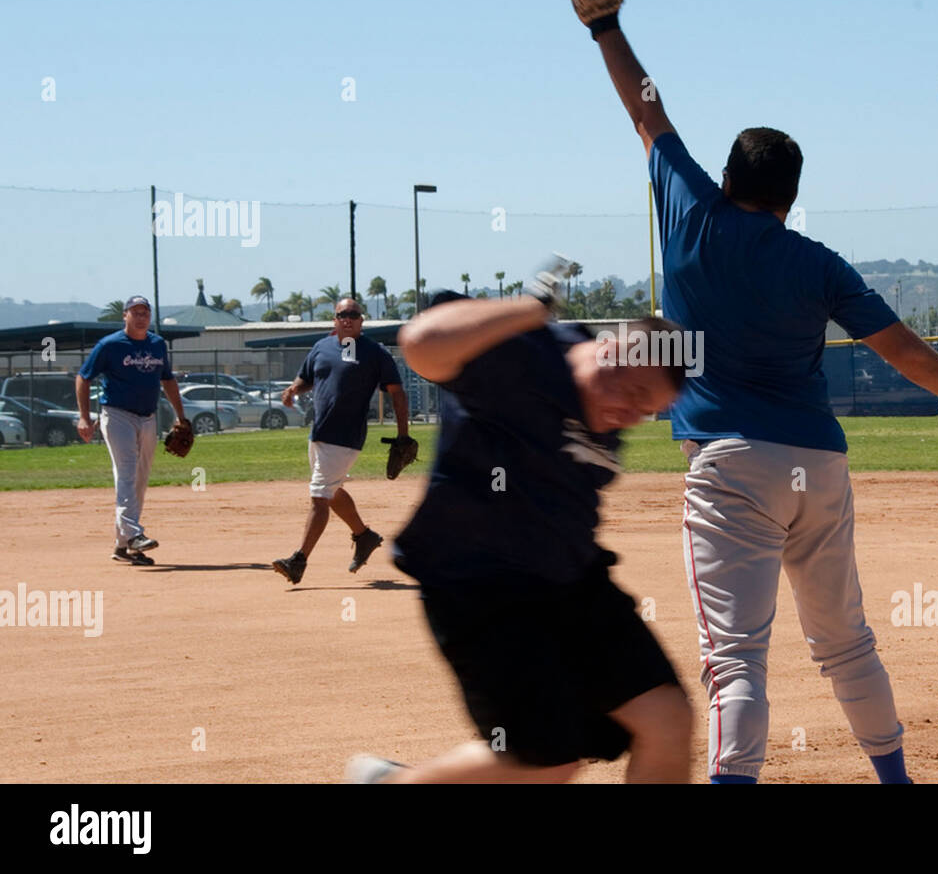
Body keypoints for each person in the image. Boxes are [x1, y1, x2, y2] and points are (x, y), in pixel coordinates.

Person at [584, 14, 938, 783]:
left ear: (727, 180)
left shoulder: (692, 218)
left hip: (729, 461)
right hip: (818, 461)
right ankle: (896, 779)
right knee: (845, 640)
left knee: (737, 655)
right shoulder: (818, 261)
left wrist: (604, 24)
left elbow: (645, 108)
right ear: (791, 198)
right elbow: (901, 347)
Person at [346, 289, 692, 783]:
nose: (631, 417)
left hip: (574, 582)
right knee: (545, 761)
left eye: (648, 411)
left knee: (667, 718)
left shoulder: (605, 400)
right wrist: (529, 306)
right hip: (479, 586)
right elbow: (421, 344)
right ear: (612, 354)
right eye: (635, 397)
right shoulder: (525, 354)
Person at [272, 298, 410, 585]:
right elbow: (309, 378)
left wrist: (403, 434)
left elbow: (397, 393)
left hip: (346, 436)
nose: (347, 318)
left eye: (353, 314)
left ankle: (298, 560)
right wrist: (293, 390)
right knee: (331, 491)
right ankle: (364, 536)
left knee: (319, 498)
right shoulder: (322, 346)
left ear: (362, 321)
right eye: (342, 314)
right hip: (319, 433)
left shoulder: (375, 353)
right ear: (334, 320)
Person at [75, 295, 188, 566]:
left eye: (145, 312)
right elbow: (83, 377)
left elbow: (168, 380)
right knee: (126, 471)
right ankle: (135, 534)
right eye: (135, 312)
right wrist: (83, 417)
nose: (141, 317)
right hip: (116, 415)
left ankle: (123, 545)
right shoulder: (110, 345)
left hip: (148, 418)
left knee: (139, 478)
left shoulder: (157, 344)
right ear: (125, 315)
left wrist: (181, 417)